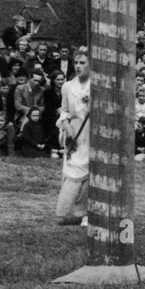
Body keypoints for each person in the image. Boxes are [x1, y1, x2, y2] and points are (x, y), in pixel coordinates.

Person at [56, 51, 92, 225]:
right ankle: (68, 210)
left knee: (88, 172)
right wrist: (66, 124)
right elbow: (64, 110)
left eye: (83, 62)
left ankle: (86, 213)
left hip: (91, 133)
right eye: (76, 62)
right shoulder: (68, 86)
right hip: (73, 133)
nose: (78, 66)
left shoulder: (96, 86)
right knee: (72, 169)